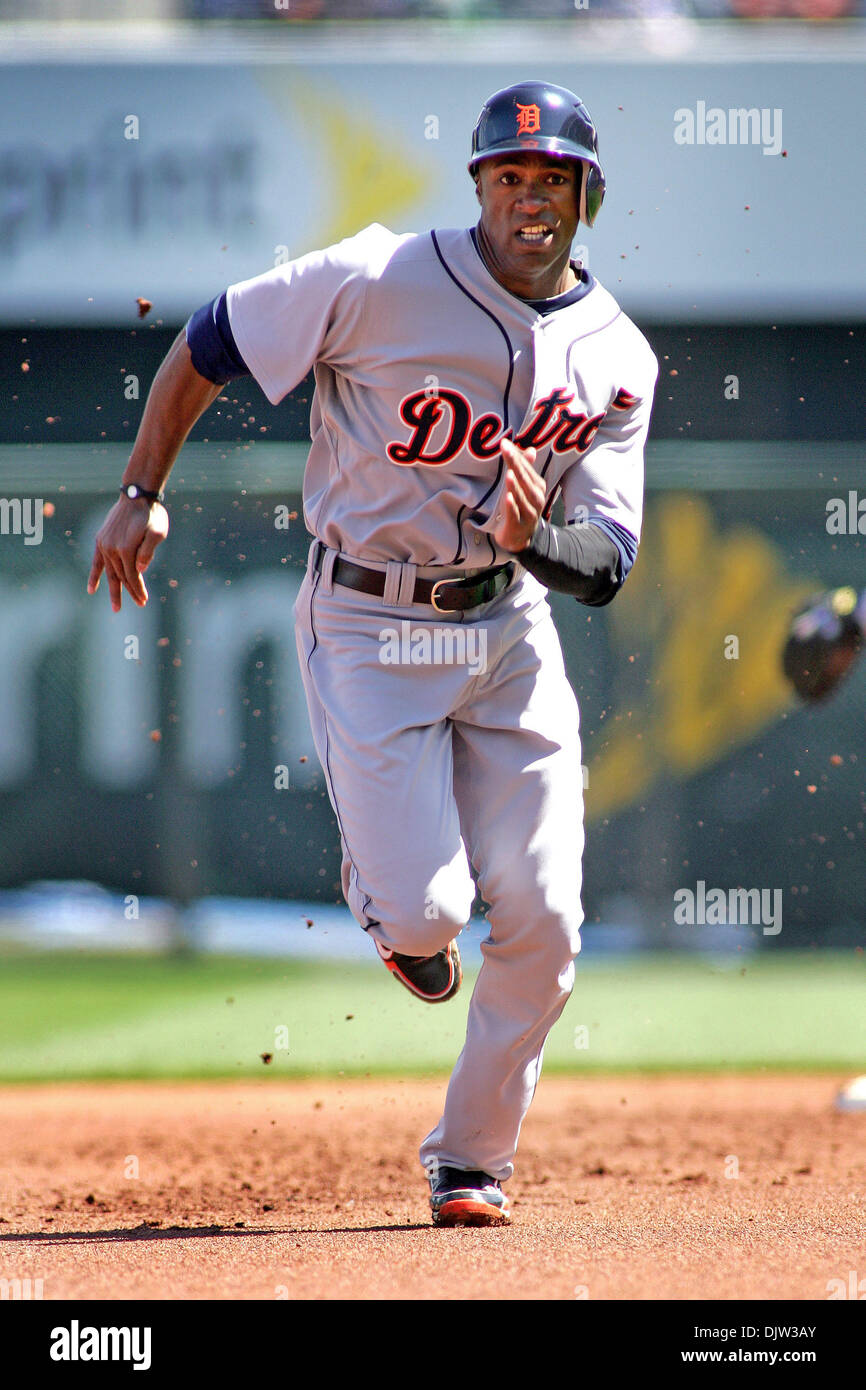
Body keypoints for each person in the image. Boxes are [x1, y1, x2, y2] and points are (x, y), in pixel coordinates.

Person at [88, 81, 658, 1226]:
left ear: (587, 196)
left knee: (543, 920)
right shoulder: (377, 276)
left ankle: (470, 1160)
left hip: (507, 628)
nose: (528, 195)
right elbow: (207, 341)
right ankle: (385, 902)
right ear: (478, 186)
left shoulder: (616, 355)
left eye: (552, 178)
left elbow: (602, 563)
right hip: (365, 617)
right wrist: (142, 490)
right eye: (509, 174)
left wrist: (532, 538)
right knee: (427, 917)